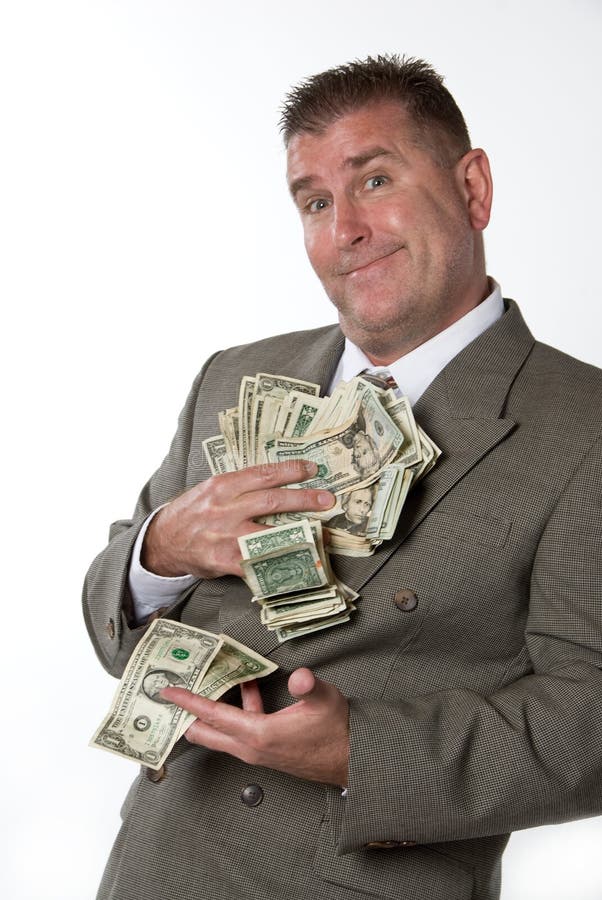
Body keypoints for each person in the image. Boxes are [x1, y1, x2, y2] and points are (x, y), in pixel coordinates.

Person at [84, 55, 602, 900]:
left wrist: (363, 748)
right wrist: (159, 550)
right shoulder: (233, 378)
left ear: (473, 189)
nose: (344, 230)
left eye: (375, 180)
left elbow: (593, 719)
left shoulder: (586, 427)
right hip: (156, 873)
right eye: (316, 201)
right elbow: (113, 633)